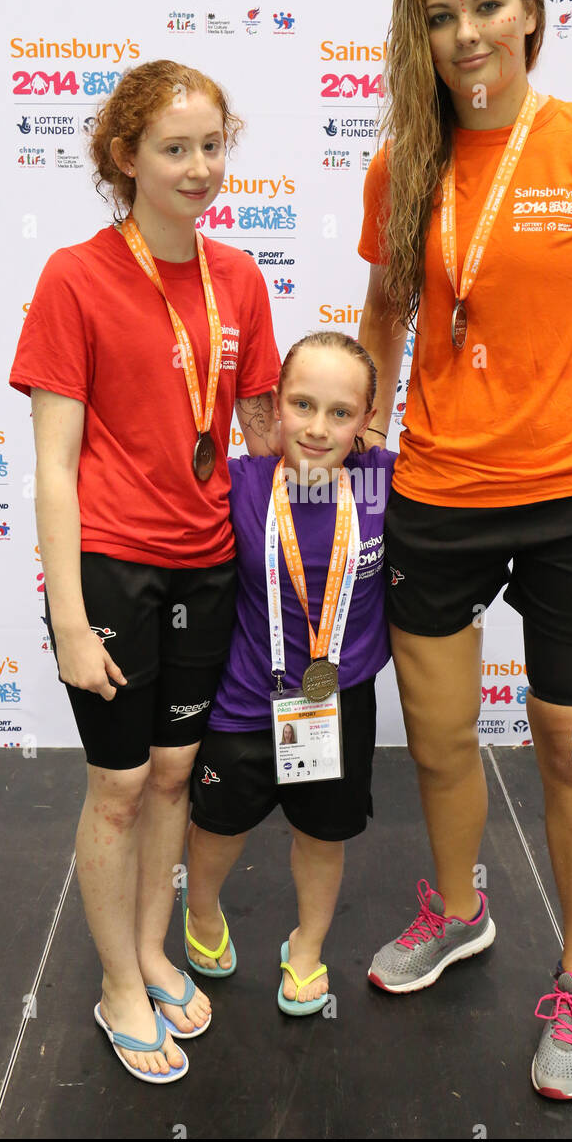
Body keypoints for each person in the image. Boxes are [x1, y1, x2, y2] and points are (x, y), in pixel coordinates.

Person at [356, 0, 572, 1099]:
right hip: (439, 492)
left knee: (570, 747)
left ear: (534, 13)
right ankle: (459, 911)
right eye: (441, 16)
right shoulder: (405, 163)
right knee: (442, 744)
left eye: (487, 7)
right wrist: (351, 460)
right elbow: (386, 324)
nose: (466, 35)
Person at [9, 60, 281, 1083]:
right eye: (176, 148)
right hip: (115, 570)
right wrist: (71, 620)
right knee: (119, 781)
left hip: (208, 567)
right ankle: (117, 979)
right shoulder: (76, 277)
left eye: (213, 145)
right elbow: (51, 465)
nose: (201, 167)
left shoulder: (241, 281)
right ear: (125, 158)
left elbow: (258, 442)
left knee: (174, 771)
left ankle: (154, 950)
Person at [185, 332, 396, 1013]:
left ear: (365, 421)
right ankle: (201, 914)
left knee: (322, 834)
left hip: (335, 703)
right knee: (217, 829)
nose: (316, 427)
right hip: (244, 700)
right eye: (302, 404)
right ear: (275, 405)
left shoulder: (386, 481)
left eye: (340, 412)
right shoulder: (241, 483)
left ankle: (306, 946)